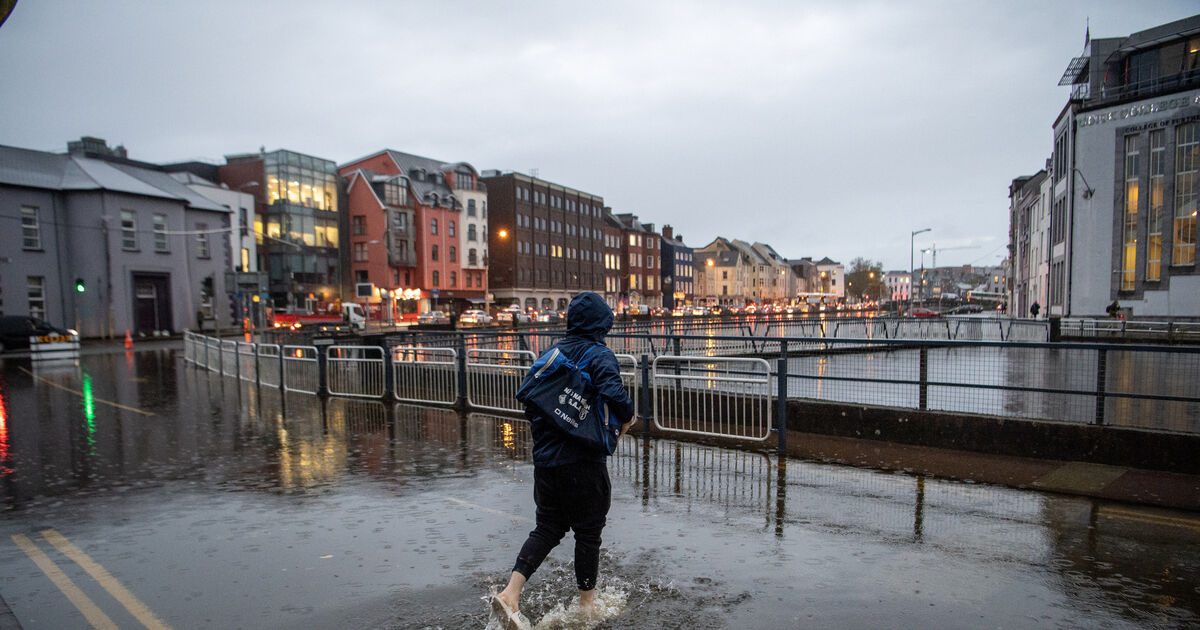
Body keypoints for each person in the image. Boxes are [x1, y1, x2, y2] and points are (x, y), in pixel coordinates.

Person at [492, 291, 636, 626]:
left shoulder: (550, 353)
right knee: (588, 533)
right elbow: (614, 393)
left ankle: (510, 594)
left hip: (546, 463)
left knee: (548, 527)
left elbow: (532, 401)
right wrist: (629, 416)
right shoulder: (598, 354)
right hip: (583, 463)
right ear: (602, 324)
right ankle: (586, 605)